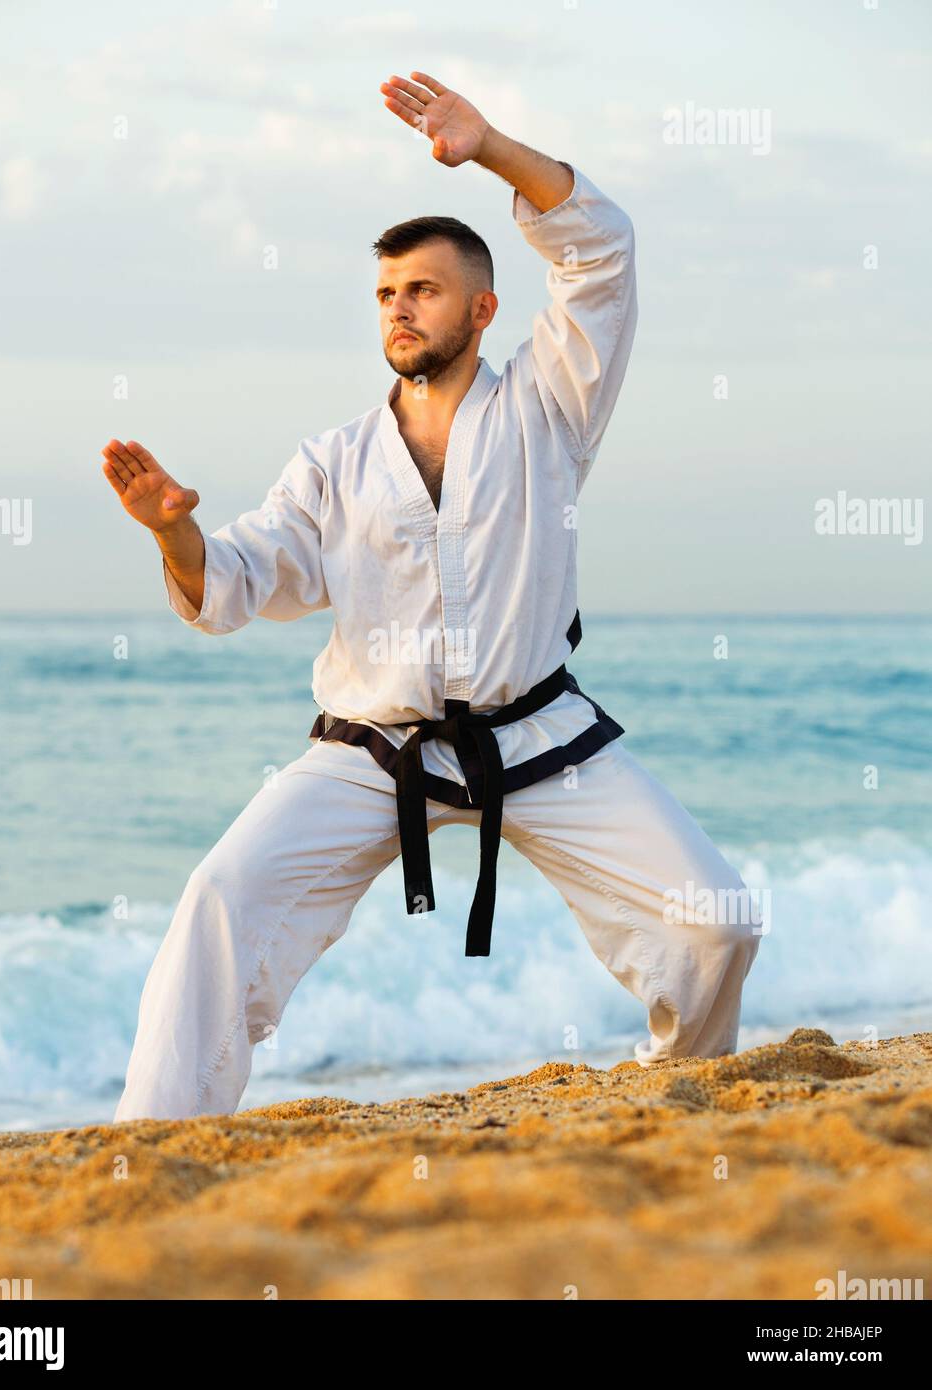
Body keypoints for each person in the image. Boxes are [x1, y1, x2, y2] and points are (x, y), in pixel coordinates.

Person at [102, 71, 762, 1123]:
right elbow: (232, 583)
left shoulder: (550, 405)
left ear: (482, 307)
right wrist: (173, 530)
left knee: (715, 921)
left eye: (422, 289)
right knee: (219, 901)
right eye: (384, 293)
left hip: (537, 734)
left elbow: (602, 250)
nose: (399, 309)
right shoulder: (333, 461)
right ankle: (156, 1135)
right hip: (373, 750)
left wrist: (489, 144)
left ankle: (681, 1101)